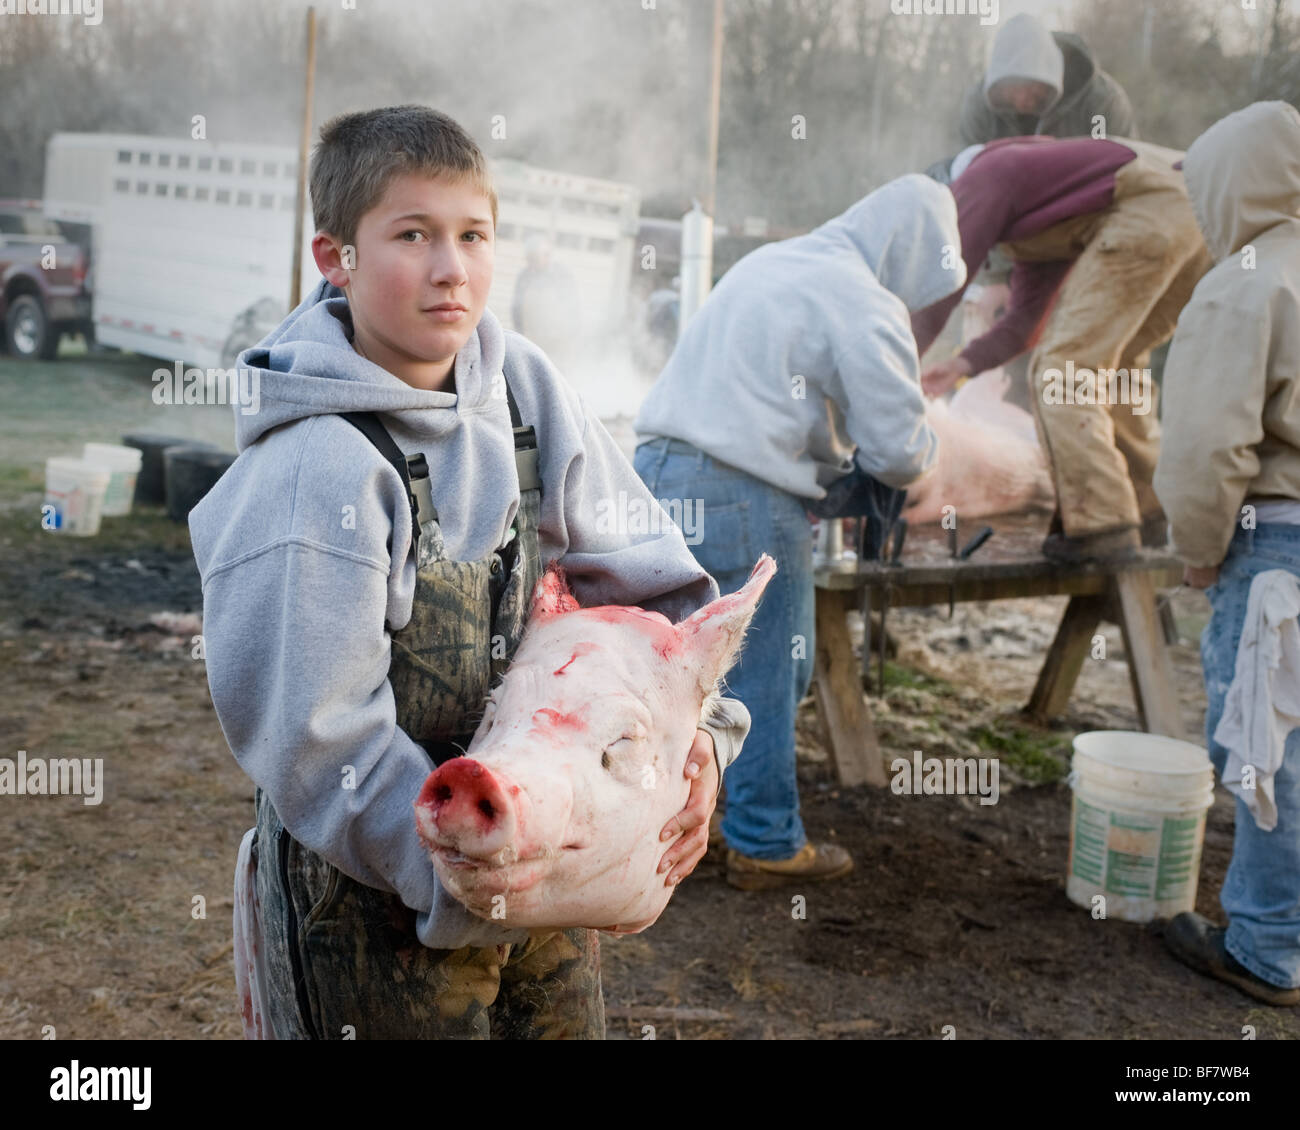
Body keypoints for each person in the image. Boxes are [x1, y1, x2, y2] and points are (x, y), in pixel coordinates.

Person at [188, 105, 752, 1039]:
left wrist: (701, 744)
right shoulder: (316, 470)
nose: (452, 268)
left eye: (473, 235)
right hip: (377, 896)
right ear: (337, 257)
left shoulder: (523, 390)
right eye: (413, 235)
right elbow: (315, 738)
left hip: (537, 863)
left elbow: (660, 596)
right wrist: (461, 885)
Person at [633, 175, 965, 890]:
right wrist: (912, 462)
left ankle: (649, 822)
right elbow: (902, 451)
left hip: (655, 471)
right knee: (770, 670)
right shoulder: (864, 298)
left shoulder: (773, 262)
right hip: (742, 494)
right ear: (912, 256)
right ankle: (763, 840)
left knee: (670, 662)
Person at [1153, 101, 1300, 1008]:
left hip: (1277, 545)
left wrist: (1199, 549)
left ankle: (1268, 948)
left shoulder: (1247, 279)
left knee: (1268, 747)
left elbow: (1208, 445)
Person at [915, 134, 1213, 562]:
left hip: (1149, 210)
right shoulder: (1047, 205)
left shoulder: (979, 176)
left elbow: (945, 279)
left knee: (1063, 369)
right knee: (1121, 363)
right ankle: (1147, 507)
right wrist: (960, 364)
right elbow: (1024, 325)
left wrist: (899, 354)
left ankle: (1103, 523)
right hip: (1201, 212)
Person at [958, 12, 1136, 146]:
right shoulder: (979, 107)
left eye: (1029, 88)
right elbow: (967, 171)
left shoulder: (1102, 102)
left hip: (1087, 190)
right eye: (1011, 90)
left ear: (1051, 75)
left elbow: (1123, 167)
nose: (1022, 100)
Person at [511, 235, 579, 370]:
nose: (532, 263)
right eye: (530, 259)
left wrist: (571, 339)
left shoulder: (562, 275)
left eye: (536, 258)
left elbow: (574, 309)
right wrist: (520, 335)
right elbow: (516, 309)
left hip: (559, 344)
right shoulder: (524, 277)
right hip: (533, 342)